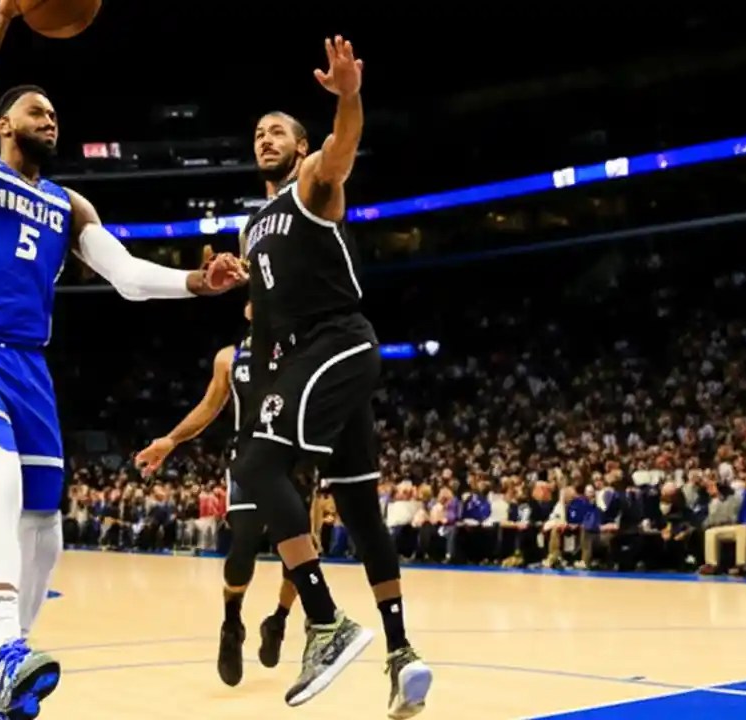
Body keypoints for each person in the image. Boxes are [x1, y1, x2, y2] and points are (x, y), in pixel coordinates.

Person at [0, 2, 246, 718]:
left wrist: (195, 282)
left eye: (54, 113)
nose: (51, 119)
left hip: (30, 367)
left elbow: (127, 275)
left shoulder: (69, 205)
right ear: (4, 124)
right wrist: (5, 15)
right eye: (37, 110)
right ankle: (7, 647)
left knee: (46, 525)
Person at [229, 36, 432, 715]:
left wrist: (348, 96)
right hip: (303, 357)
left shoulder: (314, 182)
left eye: (277, 130)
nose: (265, 138)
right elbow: (260, 324)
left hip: (337, 341)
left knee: (257, 469)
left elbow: (343, 148)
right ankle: (402, 657)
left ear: (300, 142)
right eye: (258, 132)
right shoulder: (252, 229)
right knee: (358, 508)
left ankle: (326, 622)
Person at [134, 301, 300, 687]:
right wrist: (170, 440)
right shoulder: (229, 357)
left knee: (298, 555)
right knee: (242, 545)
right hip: (248, 460)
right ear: (248, 310)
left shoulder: (300, 349)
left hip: (294, 460)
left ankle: (277, 621)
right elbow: (209, 407)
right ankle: (231, 624)